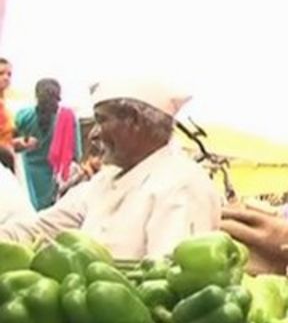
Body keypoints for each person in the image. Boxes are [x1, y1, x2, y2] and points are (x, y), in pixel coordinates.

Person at [0, 79, 222, 259]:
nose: (93, 134)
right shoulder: (103, 182)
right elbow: (36, 230)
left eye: (101, 120)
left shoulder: (183, 185)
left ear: (134, 121)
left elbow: (166, 280)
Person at [14, 78, 82, 210]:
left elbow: (8, 142)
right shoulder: (67, 117)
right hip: (55, 178)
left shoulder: (23, 116)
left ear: (36, 96)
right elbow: (76, 153)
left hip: (27, 176)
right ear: (58, 96)